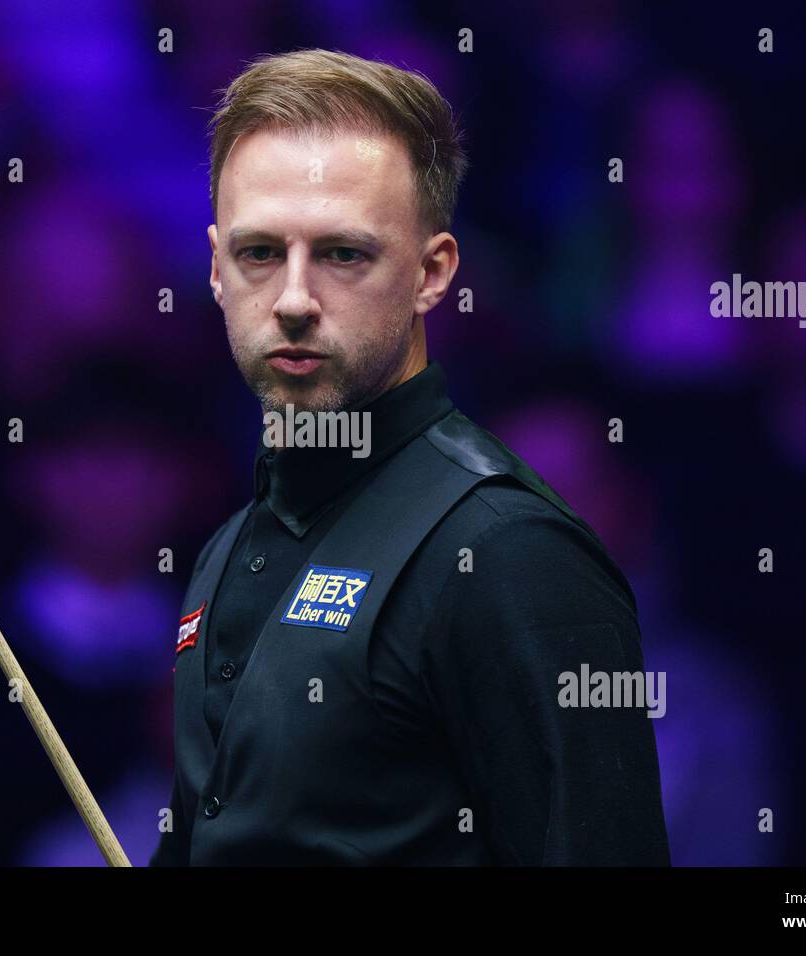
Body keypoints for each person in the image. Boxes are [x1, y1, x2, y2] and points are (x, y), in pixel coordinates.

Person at [149, 48, 669, 866]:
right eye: (258, 254)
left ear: (433, 272)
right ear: (215, 268)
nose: (291, 299)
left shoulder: (508, 554)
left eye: (343, 254)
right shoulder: (225, 551)